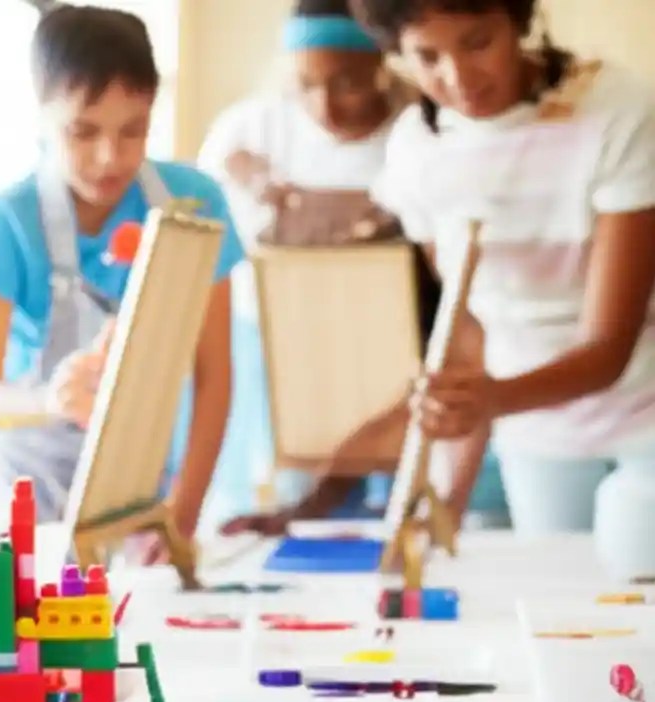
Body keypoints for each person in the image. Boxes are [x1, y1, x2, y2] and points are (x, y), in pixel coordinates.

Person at [201, 0, 508, 535]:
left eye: (347, 83)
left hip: (400, 340)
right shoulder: (250, 129)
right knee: (300, 491)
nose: (326, 107)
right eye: (306, 86)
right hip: (282, 351)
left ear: (382, 65)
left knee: (408, 486)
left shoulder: (422, 129)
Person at [352, 0, 655, 537]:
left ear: (518, 22)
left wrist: (491, 400)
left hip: (644, 414)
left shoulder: (616, 109)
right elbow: (466, 333)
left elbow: (610, 347)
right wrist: (447, 503)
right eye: (426, 56)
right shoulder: (415, 152)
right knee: (558, 605)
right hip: (534, 435)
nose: (458, 77)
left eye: (477, 43)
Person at [0, 3, 242, 549]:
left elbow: (214, 377)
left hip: (137, 486)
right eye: (82, 131)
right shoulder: (11, 218)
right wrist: (51, 399)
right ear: (43, 114)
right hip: (26, 489)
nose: (108, 156)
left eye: (133, 131)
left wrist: (182, 516)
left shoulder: (194, 204)